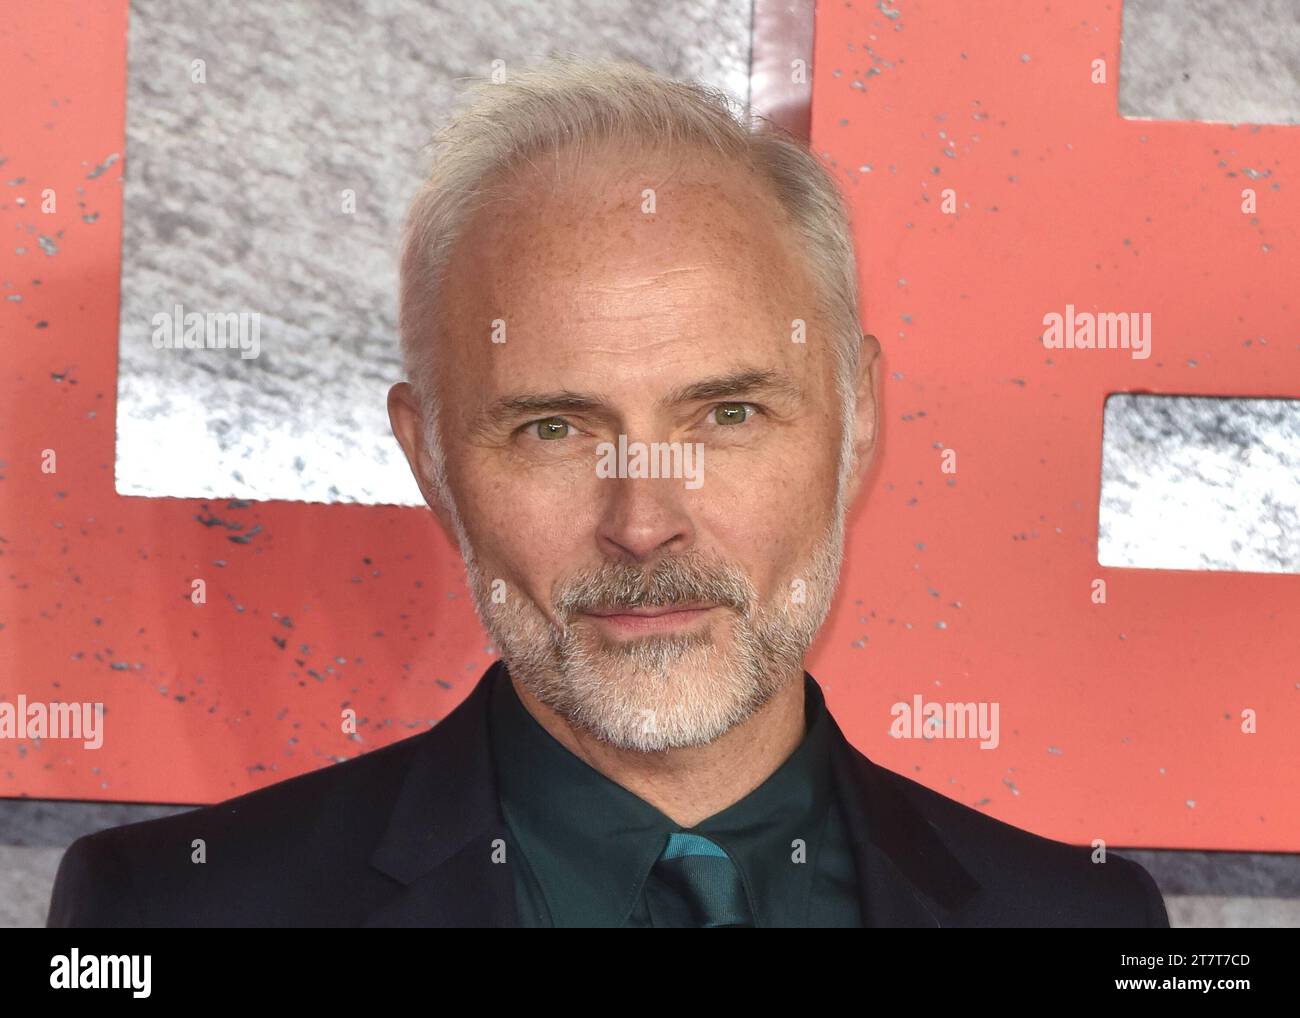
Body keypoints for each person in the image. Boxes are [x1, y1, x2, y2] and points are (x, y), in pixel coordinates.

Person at [48, 56, 1168, 928]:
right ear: (430, 460)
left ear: (858, 419)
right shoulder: (168, 911)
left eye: (727, 415)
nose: (643, 521)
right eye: (553, 428)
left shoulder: (1087, 921)